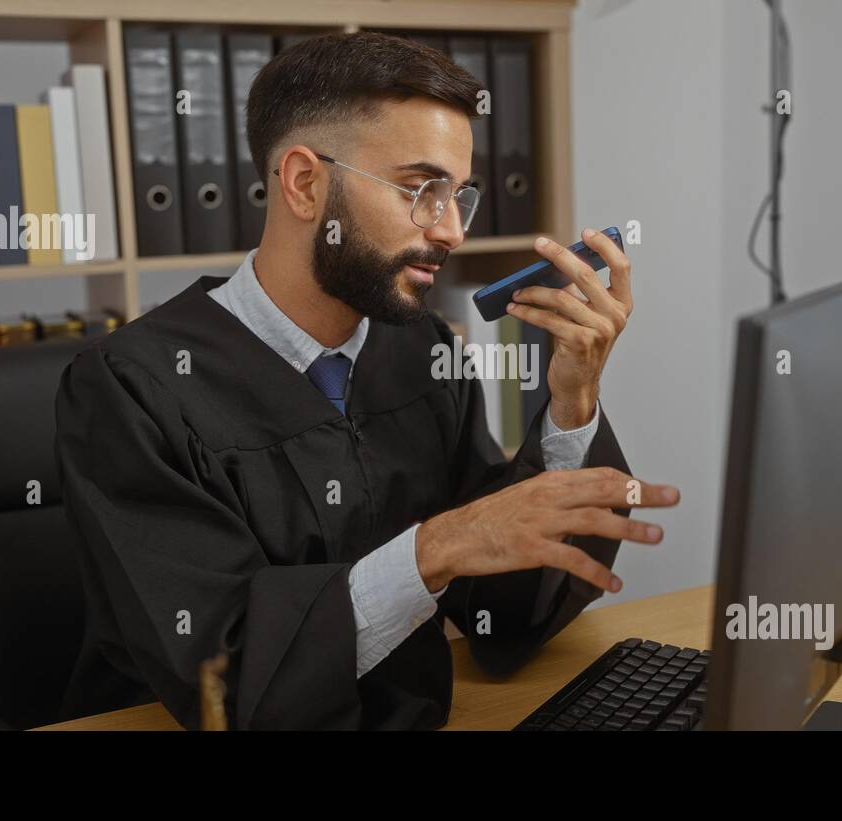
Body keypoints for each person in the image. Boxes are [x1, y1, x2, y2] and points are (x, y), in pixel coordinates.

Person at [54, 31, 680, 730]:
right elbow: (221, 676)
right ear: (303, 182)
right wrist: (434, 547)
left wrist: (571, 402)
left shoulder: (420, 352)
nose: (451, 231)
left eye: (459, 197)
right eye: (420, 190)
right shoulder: (130, 389)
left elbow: (498, 612)